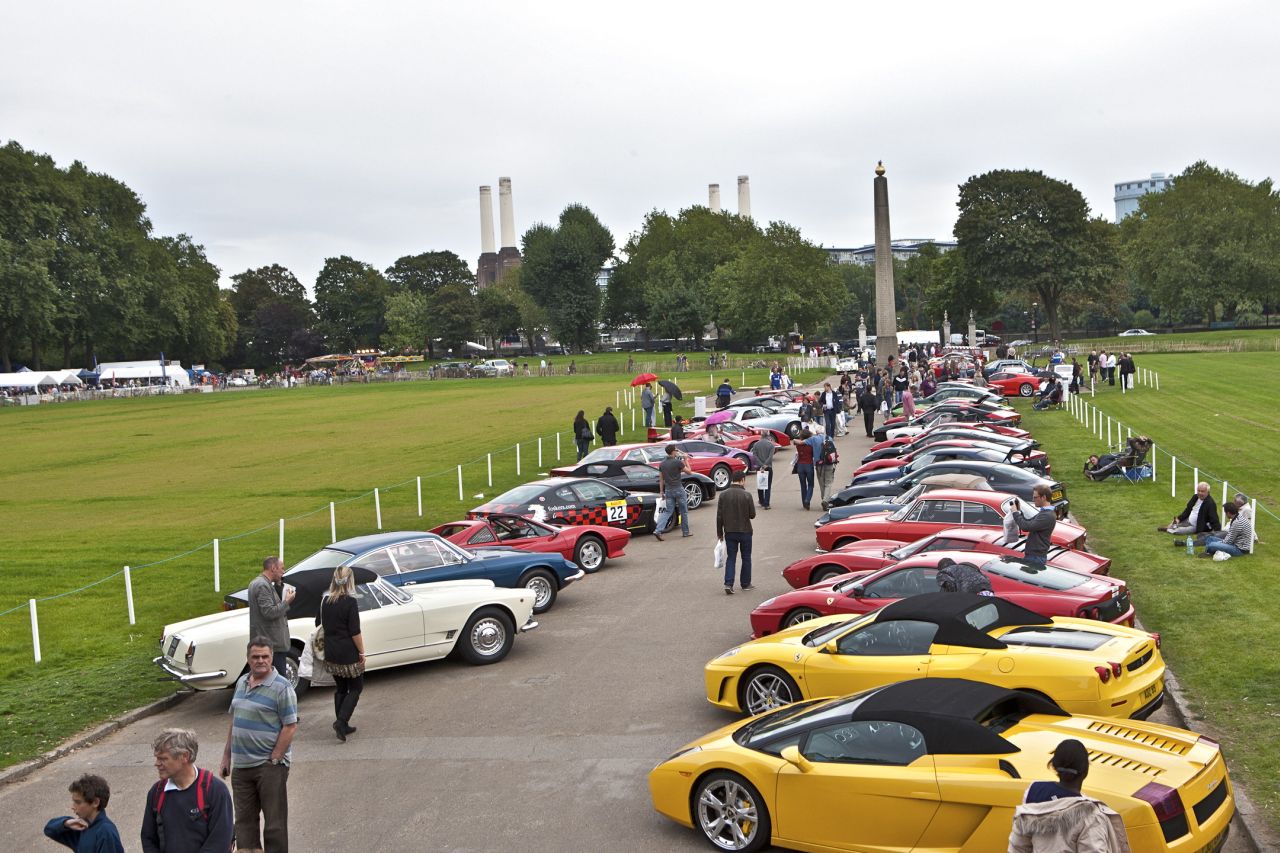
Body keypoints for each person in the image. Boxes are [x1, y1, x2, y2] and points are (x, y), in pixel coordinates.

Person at [221, 638, 298, 853]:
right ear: (248, 659)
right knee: (244, 823)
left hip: (269, 767)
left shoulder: (282, 687)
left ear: (272, 657)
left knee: (274, 825)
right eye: (255, 657)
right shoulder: (242, 682)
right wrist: (227, 757)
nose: (260, 660)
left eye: (265, 656)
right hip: (241, 767)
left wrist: (275, 758)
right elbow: (234, 721)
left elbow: (290, 726)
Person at [1009, 739, 1130, 853]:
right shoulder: (1091, 816)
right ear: (1086, 770)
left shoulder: (1033, 792)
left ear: (1054, 766)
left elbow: (1018, 847)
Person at [142, 728, 234, 853]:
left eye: (163, 758)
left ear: (185, 756)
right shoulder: (156, 792)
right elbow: (148, 838)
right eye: (157, 758)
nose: (157, 763)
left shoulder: (215, 790)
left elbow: (219, 842)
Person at [318, 566, 365, 740]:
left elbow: (319, 622)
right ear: (349, 581)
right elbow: (355, 631)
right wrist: (362, 652)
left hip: (330, 651)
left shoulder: (325, 601)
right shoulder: (350, 602)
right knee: (356, 687)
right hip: (348, 652)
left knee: (341, 688)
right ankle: (341, 721)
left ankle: (342, 725)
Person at [43, 774, 125, 853]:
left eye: (78, 802)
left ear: (95, 802)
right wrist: (66, 823)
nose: (73, 807)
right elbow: (49, 830)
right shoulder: (81, 827)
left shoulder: (105, 832)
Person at [248, 557, 295, 677]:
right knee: (277, 682)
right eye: (282, 568)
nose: (283, 572)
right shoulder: (262, 585)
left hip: (269, 642)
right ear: (273, 568)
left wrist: (279, 586)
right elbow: (269, 612)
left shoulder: (263, 583)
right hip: (272, 644)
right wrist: (287, 601)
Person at [716, 470, 756, 594]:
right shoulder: (747, 495)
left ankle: (728, 583)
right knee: (746, 558)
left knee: (731, 558)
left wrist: (719, 533)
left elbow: (719, 516)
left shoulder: (723, 495)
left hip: (729, 532)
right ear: (742, 480)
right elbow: (752, 515)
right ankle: (745, 584)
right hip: (745, 531)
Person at [1009, 485, 1057, 566]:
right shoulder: (1044, 513)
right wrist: (1019, 510)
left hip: (1036, 558)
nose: (1032, 499)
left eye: (1035, 497)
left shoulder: (1046, 515)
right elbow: (1028, 522)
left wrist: (1015, 512)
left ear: (1044, 497)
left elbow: (1026, 527)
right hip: (1035, 556)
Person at [651, 444, 692, 541]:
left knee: (668, 511)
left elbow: (661, 479)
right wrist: (686, 460)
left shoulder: (662, 464)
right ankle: (685, 532)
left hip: (668, 490)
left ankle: (658, 530)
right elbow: (689, 472)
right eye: (676, 450)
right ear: (673, 452)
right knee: (684, 512)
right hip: (678, 489)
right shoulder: (678, 462)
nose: (677, 452)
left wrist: (661, 491)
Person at [810, 429, 838, 509]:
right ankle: (825, 500)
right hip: (829, 463)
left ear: (817, 433)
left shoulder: (814, 439)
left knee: (821, 483)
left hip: (819, 464)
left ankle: (824, 499)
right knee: (828, 483)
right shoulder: (829, 438)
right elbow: (834, 450)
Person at [751, 431, 776, 509]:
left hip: (759, 467)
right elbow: (770, 456)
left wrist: (761, 465)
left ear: (761, 435)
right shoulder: (771, 445)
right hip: (768, 467)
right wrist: (765, 464)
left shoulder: (756, 444)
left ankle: (761, 501)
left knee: (760, 485)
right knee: (768, 486)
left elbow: (754, 455)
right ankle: (766, 503)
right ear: (768, 435)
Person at [793, 428, 816, 510]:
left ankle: (804, 503)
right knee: (810, 485)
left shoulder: (798, 445)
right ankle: (807, 500)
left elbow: (795, 441)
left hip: (800, 466)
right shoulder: (811, 445)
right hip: (809, 465)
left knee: (803, 485)